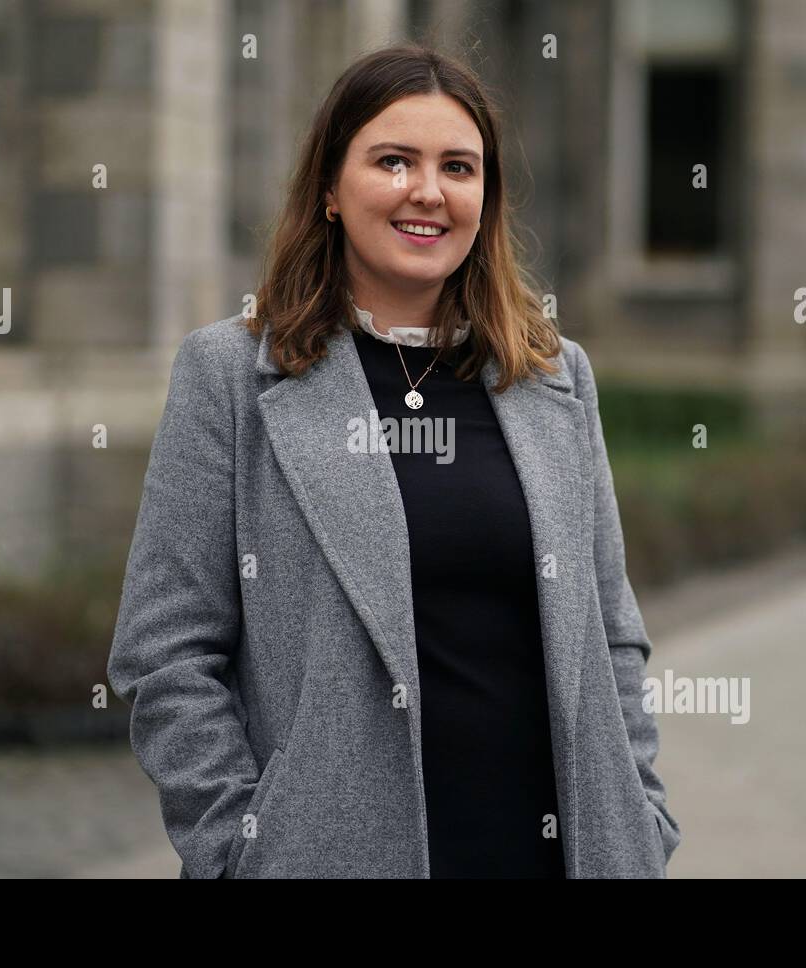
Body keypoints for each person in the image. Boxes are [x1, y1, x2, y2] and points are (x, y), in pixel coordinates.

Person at [107, 42, 681, 878]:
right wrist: (241, 847)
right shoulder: (229, 376)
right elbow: (163, 650)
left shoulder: (555, 378)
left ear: (484, 199)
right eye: (393, 161)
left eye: (458, 166)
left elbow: (613, 632)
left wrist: (643, 814)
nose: (428, 191)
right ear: (332, 191)